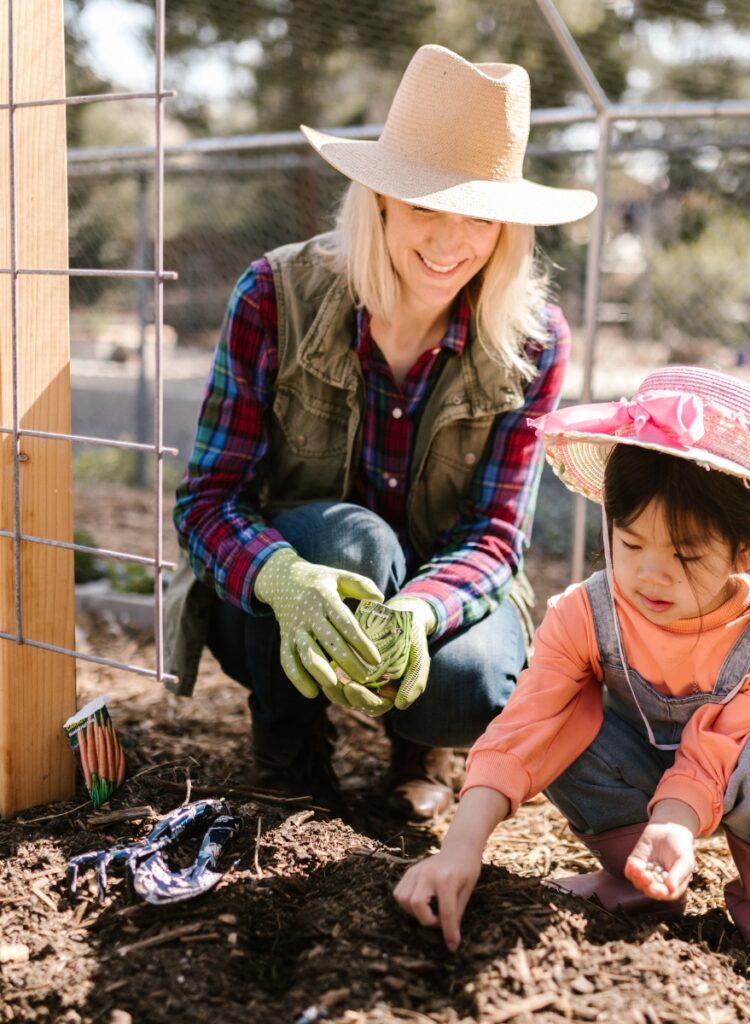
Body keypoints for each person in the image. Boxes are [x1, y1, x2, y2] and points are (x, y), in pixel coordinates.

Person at [162, 43, 597, 820]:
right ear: (382, 200)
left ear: (509, 229)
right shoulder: (274, 295)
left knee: (468, 687)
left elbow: (497, 536)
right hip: (266, 608)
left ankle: (418, 749)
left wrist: (423, 610)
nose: (451, 240)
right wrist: (285, 581)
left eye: (481, 216)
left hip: (436, 594)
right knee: (352, 544)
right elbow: (205, 501)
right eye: (427, 204)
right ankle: (290, 750)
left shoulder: (534, 341)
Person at [394, 366, 750, 984]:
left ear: (746, 550)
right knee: (564, 730)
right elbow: (525, 726)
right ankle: (640, 877)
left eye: (686, 554)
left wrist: (677, 821)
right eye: (630, 542)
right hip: (634, 792)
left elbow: (714, 753)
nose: (649, 575)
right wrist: (460, 850)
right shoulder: (585, 614)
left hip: (730, 782)